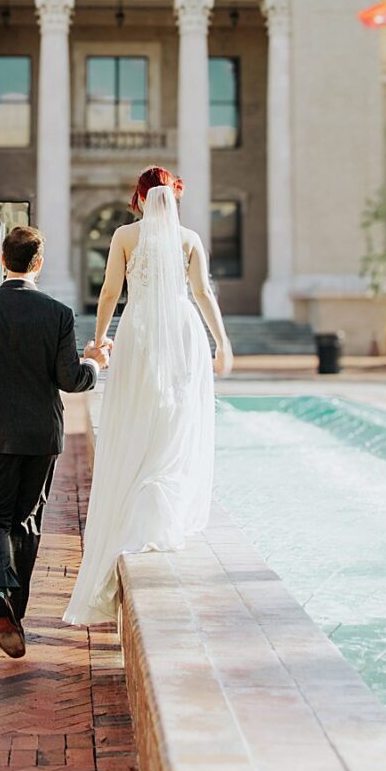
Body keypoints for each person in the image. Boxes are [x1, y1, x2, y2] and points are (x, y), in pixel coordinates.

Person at [62, 166, 232, 627]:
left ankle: (146, 505)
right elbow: (201, 293)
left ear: (138, 199)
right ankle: (165, 511)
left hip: (138, 330)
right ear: (174, 197)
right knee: (179, 415)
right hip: (182, 331)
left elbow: (111, 291)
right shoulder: (189, 238)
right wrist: (222, 342)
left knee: (143, 409)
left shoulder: (124, 236)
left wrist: (99, 339)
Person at [0, 224, 104, 659]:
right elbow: (71, 381)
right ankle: (15, 612)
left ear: (2, 260)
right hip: (40, 436)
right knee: (27, 522)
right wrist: (95, 362)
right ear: (38, 263)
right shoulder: (57, 313)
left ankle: (0, 592)